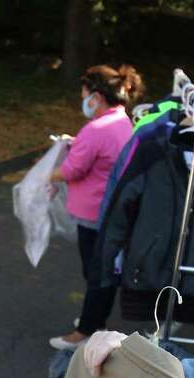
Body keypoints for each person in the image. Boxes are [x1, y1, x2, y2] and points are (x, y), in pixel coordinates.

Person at [47, 64, 144, 351]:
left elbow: (72, 170)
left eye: (84, 93)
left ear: (97, 96)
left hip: (94, 213)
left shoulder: (97, 128)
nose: (83, 99)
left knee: (96, 272)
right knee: (102, 270)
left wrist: (45, 174)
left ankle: (86, 331)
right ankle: (95, 322)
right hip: (110, 210)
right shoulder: (122, 122)